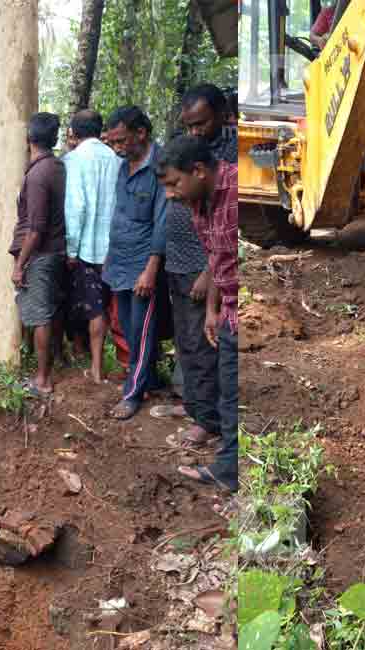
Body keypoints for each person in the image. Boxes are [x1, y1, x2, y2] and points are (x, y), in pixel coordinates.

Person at [156, 135, 239, 493]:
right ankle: (229, 464)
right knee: (229, 388)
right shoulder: (199, 202)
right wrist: (211, 310)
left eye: (175, 184)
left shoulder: (237, 194)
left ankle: (231, 472)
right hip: (227, 309)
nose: (171, 194)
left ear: (200, 171)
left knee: (233, 390)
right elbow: (218, 260)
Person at [103, 106, 168, 420]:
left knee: (142, 330)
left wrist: (151, 269)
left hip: (143, 265)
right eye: (113, 142)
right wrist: (110, 258)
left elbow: (162, 222)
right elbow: (120, 214)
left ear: (141, 133)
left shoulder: (161, 167)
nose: (116, 148)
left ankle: (132, 394)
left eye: (121, 140)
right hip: (120, 261)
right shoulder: (123, 166)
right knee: (129, 328)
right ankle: (149, 378)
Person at [10, 113, 68, 396]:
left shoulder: (36, 175)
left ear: (29, 139)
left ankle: (42, 380)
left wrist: (20, 264)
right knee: (52, 311)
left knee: (40, 316)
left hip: (40, 255)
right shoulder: (57, 167)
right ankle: (54, 363)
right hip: (57, 251)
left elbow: (35, 228)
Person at [63, 110, 121, 384]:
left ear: (73, 132)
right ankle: (116, 364)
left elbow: (77, 208)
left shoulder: (73, 160)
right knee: (112, 308)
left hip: (87, 249)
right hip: (114, 247)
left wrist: (71, 250)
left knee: (96, 308)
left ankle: (96, 367)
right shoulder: (116, 159)